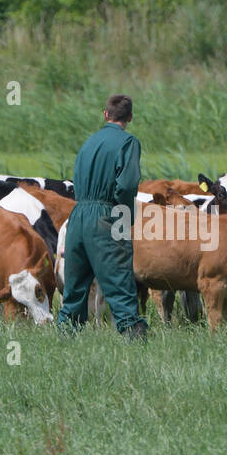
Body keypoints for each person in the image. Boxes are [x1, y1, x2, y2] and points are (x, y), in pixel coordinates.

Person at [57, 94, 148, 339]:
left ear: (105, 114)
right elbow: (127, 185)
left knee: (74, 290)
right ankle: (135, 341)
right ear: (130, 117)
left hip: (77, 217)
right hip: (106, 216)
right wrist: (124, 218)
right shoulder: (128, 142)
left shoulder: (88, 143)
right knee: (120, 284)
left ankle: (65, 338)